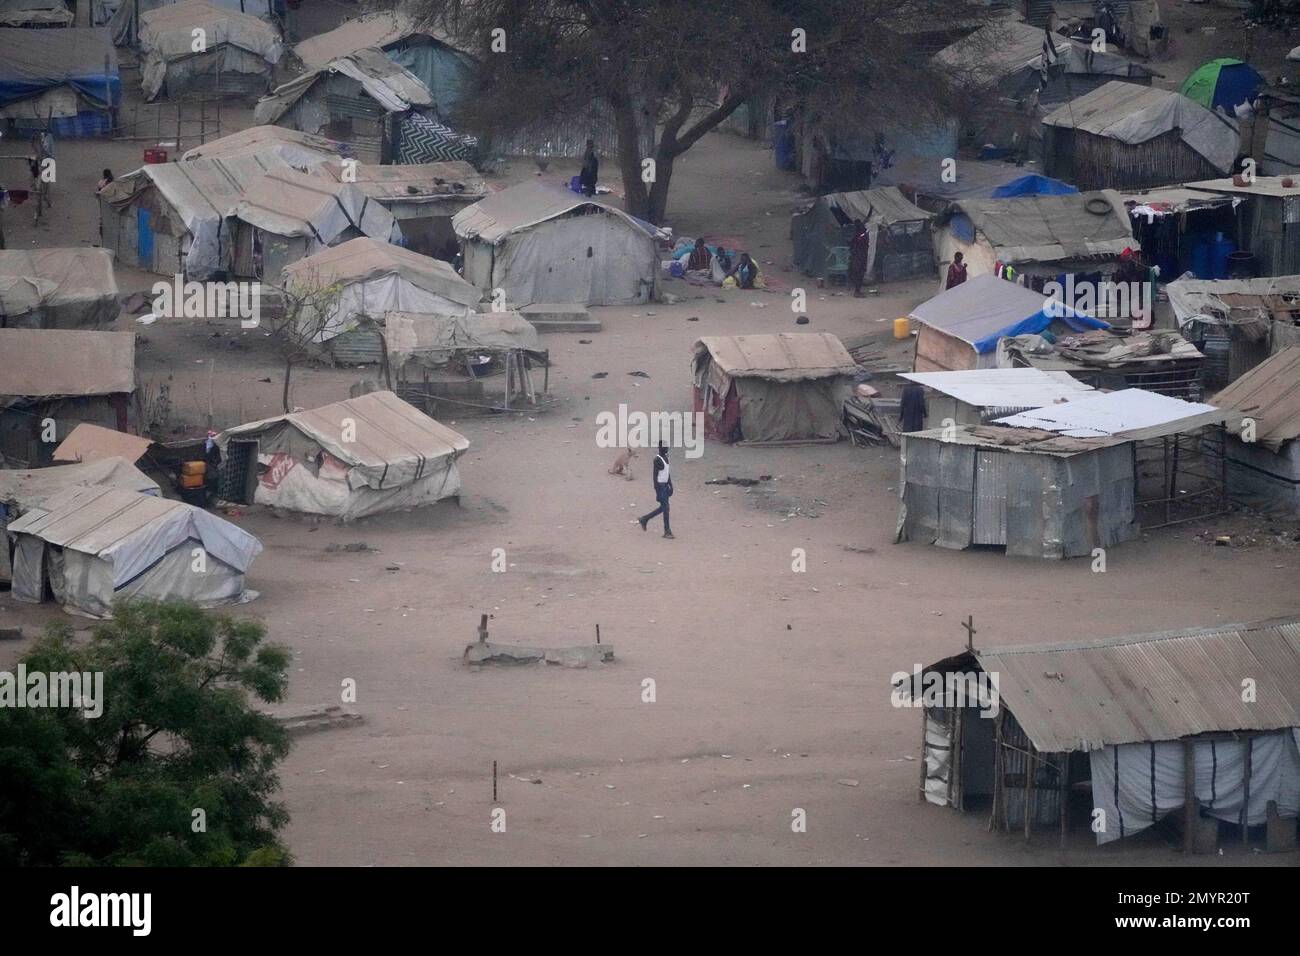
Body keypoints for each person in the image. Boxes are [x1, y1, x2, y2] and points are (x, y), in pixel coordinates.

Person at [637, 444, 674, 538]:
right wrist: (657, 490)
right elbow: (655, 476)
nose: (667, 448)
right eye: (665, 447)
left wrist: (670, 485)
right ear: (661, 449)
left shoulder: (666, 457)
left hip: (665, 485)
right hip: (660, 486)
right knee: (665, 508)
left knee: (665, 507)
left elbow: (667, 472)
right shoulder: (657, 460)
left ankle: (644, 519)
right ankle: (667, 531)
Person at [848, 219, 869, 297]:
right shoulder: (860, 235)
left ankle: (857, 290)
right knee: (859, 274)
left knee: (858, 273)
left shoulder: (856, 235)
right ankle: (857, 291)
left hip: (857, 257)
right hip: (859, 257)